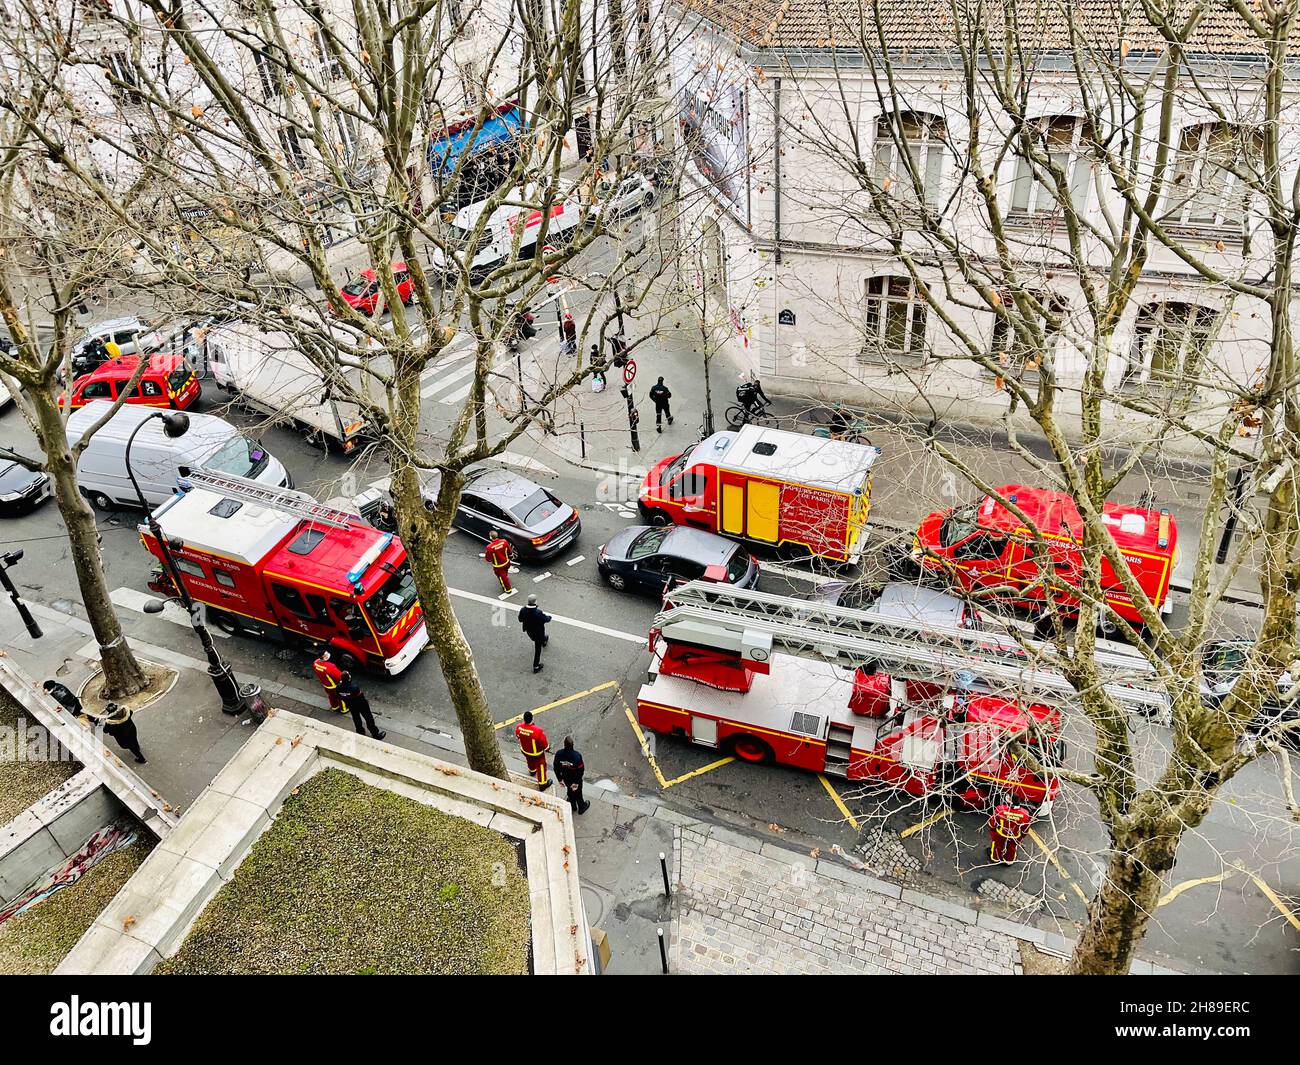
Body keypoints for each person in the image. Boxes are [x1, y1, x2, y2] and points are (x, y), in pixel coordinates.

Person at [337, 672, 386, 740]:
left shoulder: (338, 687)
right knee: (369, 719)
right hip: (361, 704)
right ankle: (375, 733)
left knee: (356, 718)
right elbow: (360, 696)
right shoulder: (354, 688)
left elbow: (339, 696)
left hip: (350, 705)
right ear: (349, 679)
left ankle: (360, 731)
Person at [514, 710, 551, 790]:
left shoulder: (518, 727)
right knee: (541, 766)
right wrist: (547, 748)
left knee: (529, 761)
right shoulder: (537, 731)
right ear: (532, 719)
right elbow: (544, 743)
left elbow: (518, 736)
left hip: (525, 751)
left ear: (524, 719)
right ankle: (542, 784)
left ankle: (532, 771)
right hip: (537, 754)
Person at [553, 736, 590, 814]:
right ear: (573, 745)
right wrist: (576, 783)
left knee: (570, 790)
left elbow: (556, 767)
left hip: (565, 778)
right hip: (575, 779)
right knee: (578, 793)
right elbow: (580, 771)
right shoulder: (577, 756)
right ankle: (581, 807)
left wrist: (560, 779)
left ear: (564, 744)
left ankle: (573, 806)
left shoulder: (559, 754)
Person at [518, 594, 551, 673]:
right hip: (538, 633)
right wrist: (549, 617)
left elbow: (520, 619)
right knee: (538, 649)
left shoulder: (523, 610)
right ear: (535, 602)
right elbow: (545, 619)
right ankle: (536, 666)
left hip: (530, 631)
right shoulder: (538, 612)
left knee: (540, 639)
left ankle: (544, 640)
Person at [485, 529, 514, 595]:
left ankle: (508, 589)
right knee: (505, 572)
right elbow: (510, 551)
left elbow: (488, 558)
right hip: (507, 562)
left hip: (498, 566)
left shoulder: (490, 547)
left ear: (491, 537)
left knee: (502, 578)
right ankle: (506, 579)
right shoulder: (504, 541)